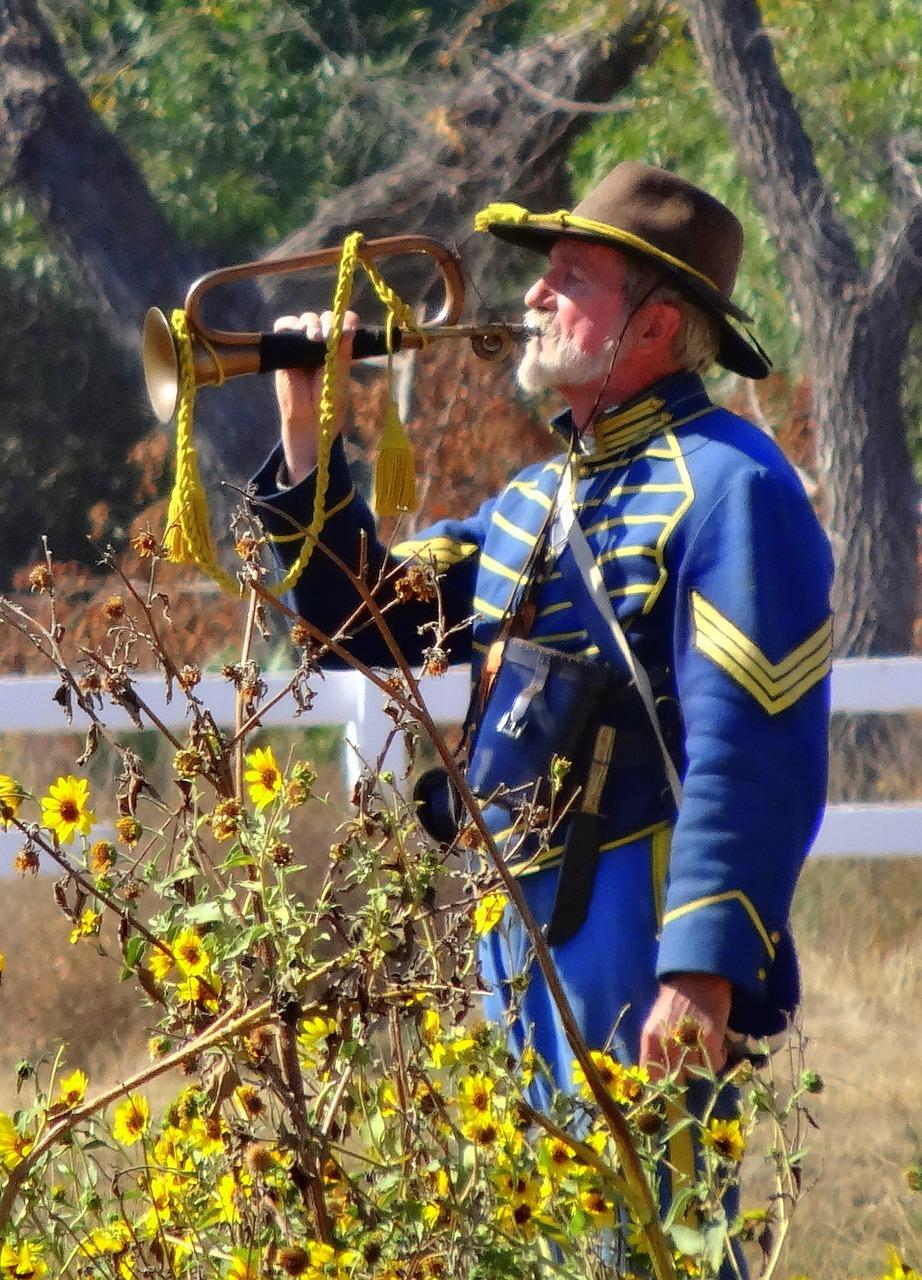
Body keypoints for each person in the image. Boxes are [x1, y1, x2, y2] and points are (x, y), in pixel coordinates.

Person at [249, 161, 832, 1105]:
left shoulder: (737, 488)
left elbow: (756, 752)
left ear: (656, 325)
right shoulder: (533, 497)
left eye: (573, 276)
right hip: (507, 917)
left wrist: (701, 967)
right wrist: (308, 429)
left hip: (640, 920)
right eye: (547, 270)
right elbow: (367, 624)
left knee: (650, 1240)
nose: (534, 293)